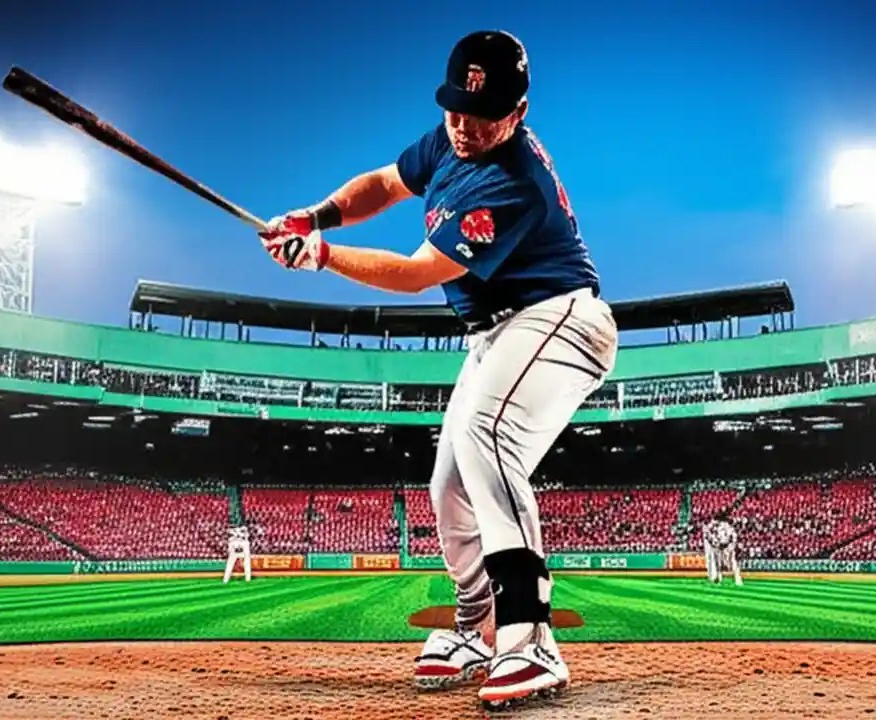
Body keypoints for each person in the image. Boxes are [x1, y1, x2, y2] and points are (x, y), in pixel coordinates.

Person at [258, 30, 617, 710]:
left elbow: (418, 273)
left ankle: (529, 636)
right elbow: (383, 184)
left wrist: (323, 254)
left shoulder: (513, 182)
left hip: (560, 319)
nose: (464, 126)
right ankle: (478, 627)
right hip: (496, 333)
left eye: (484, 115)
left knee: (486, 435)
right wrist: (315, 215)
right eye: (456, 108)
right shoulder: (451, 139)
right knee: (448, 485)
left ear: (519, 112)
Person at [703, 513, 742, 586]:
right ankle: (720, 578)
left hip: (727, 547)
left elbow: (730, 538)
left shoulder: (725, 527)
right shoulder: (724, 527)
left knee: (730, 563)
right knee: (722, 564)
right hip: (722, 547)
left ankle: (737, 579)